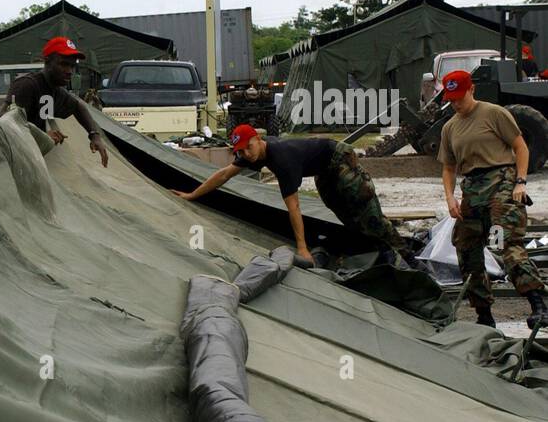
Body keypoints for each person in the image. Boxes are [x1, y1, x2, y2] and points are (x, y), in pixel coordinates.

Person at [173, 124, 405, 263]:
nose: (246, 154)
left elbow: (294, 207)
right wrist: (192, 195)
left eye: (248, 147)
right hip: (322, 170)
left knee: (365, 208)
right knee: (342, 211)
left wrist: (302, 248)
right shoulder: (252, 155)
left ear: (258, 139)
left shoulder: (282, 160)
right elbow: (224, 174)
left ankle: (404, 253)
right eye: (240, 151)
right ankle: (375, 249)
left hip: (339, 158)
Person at [437, 69, 547, 326]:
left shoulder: (494, 114)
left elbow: (520, 147)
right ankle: (484, 315)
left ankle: (539, 305)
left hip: (501, 183)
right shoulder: (449, 128)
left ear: (471, 90)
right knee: (466, 248)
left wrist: (520, 182)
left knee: (505, 242)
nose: (456, 104)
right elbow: (448, 168)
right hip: (472, 190)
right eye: (451, 100)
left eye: (459, 98)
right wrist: (450, 198)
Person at [0, 36, 108, 167]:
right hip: (12, 163)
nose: (69, 71)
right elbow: (3, 125)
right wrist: (42, 136)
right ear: (47, 61)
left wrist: (94, 135)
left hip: (33, 161)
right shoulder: (27, 85)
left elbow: (78, 106)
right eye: (64, 64)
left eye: (72, 66)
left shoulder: (55, 89)